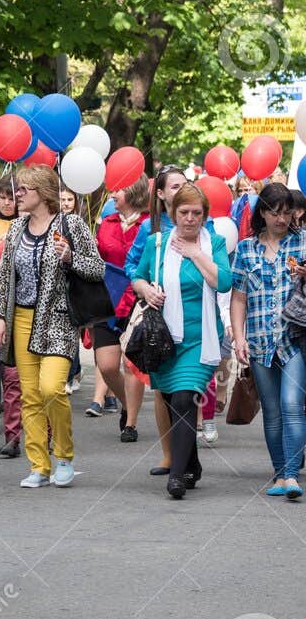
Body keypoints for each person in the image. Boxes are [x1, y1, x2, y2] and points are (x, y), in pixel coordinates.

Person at [0, 166, 106, 489]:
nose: (17, 195)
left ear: (43, 192)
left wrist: (70, 258)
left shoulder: (71, 225)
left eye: (24, 189)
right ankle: (38, 465)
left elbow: (98, 268)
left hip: (58, 319)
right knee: (30, 395)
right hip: (21, 319)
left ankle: (64, 455)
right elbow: (4, 279)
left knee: (52, 388)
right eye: (17, 189)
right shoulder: (15, 229)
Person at [132, 183, 231, 499]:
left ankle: (176, 476)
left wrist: (196, 254)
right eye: (184, 212)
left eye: (196, 213)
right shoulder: (157, 243)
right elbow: (137, 274)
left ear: (204, 216)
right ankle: (192, 465)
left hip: (201, 339)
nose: (190, 219)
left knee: (185, 399)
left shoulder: (213, 243)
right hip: (164, 339)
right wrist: (145, 289)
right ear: (172, 213)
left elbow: (224, 281)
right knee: (173, 403)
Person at [229, 182, 305, 499]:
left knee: (292, 405)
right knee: (272, 411)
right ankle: (279, 474)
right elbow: (238, 299)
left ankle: (291, 475)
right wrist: (238, 337)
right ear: (263, 212)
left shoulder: (301, 243)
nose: (282, 219)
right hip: (259, 341)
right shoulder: (247, 249)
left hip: (294, 339)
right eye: (275, 212)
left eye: (287, 213)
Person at [122, 166, 192, 473]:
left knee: (186, 390)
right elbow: (132, 266)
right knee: (162, 389)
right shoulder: (150, 228)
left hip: (191, 313)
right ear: (161, 194)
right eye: (175, 187)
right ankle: (169, 455)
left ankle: (188, 455)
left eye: (185, 185)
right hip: (159, 314)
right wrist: (146, 288)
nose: (181, 191)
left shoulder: (202, 223)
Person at [89, 176, 150, 435]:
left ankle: (131, 423)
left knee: (131, 364)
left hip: (137, 302)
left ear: (134, 191)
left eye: (119, 189)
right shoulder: (107, 223)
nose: (112, 194)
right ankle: (127, 404)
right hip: (107, 300)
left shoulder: (149, 225)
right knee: (107, 366)